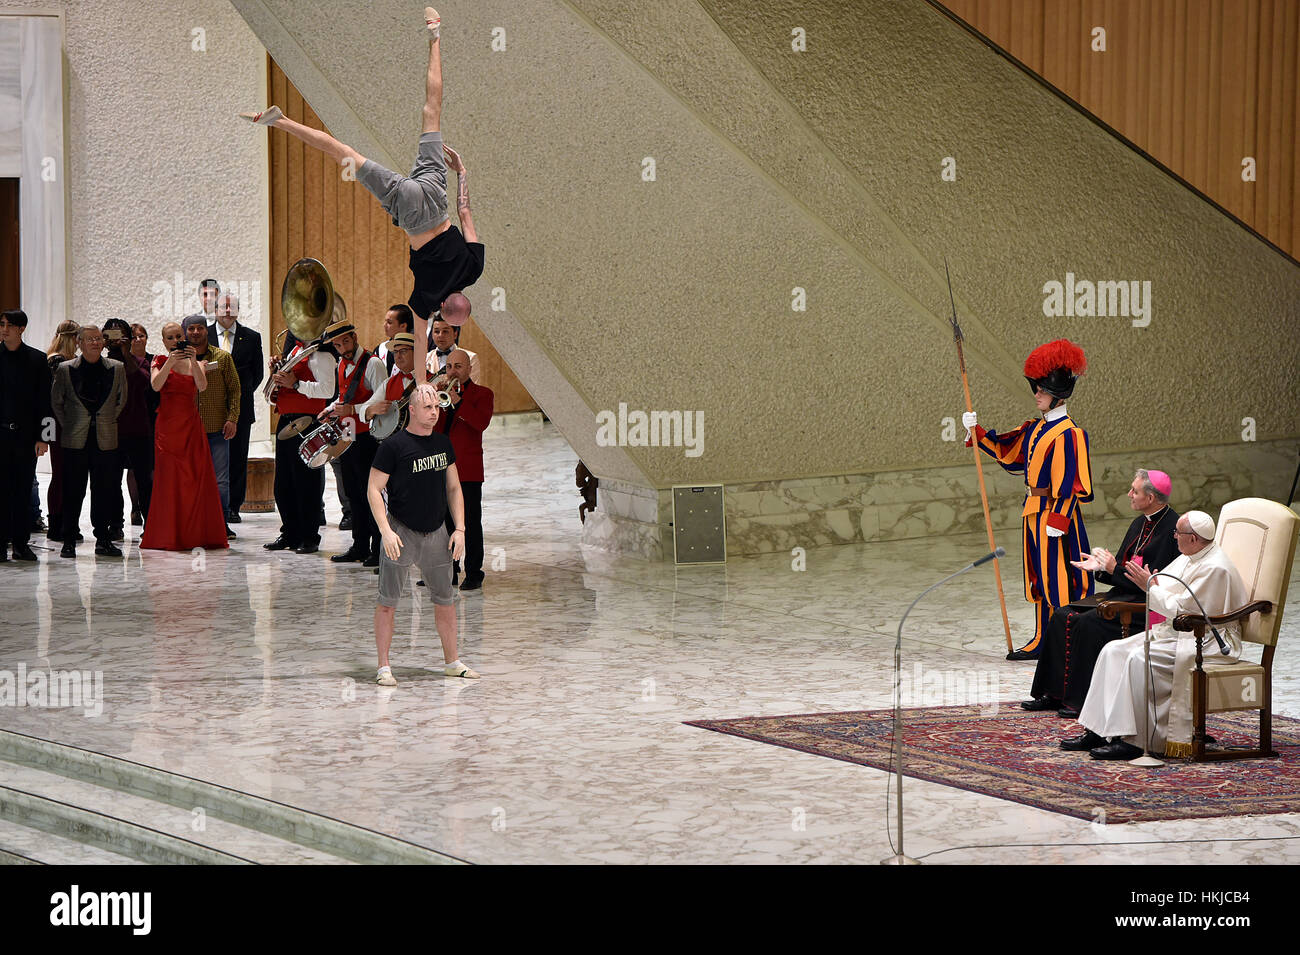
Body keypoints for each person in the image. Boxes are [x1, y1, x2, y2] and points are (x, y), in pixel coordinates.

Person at [241, 7, 484, 383]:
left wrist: (463, 173)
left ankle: (435, 37)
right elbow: (420, 343)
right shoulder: (424, 303)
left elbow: (466, 213)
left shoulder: (474, 269)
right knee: (346, 155)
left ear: (463, 302)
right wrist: (421, 384)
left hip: (436, 196)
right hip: (410, 211)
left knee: (432, 110)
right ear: (444, 311)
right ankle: (280, 121)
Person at [1063, 510, 1248, 760]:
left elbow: (1183, 610)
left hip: (1205, 640)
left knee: (1140, 659)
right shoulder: (1189, 556)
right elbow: (1164, 587)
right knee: (1113, 650)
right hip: (1179, 633)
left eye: (1178, 534)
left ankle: (1137, 741)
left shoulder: (1215, 567)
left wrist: (1149, 585)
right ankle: (1099, 731)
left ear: (1193, 538)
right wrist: (1149, 582)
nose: (1174, 537)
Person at [964, 339, 1092, 660]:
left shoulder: (1069, 434)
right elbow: (1010, 454)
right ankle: (1041, 638)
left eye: (1041, 389)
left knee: (1059, 579)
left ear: (1057, 394)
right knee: (1039, 575)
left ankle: (1064, 639)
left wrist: (1059, 521)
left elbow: (1071, 484)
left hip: (1053, 515)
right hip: (1033, 512)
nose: (1036, 394)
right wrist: (977, 433)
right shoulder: (1036, 429)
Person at [1021, 469, 1180, 717]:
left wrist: (1112, 569)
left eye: (1134, 491)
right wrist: (1100, 568)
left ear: (1150, 498)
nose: (1129, 494)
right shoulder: (1139, 522)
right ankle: (1052, 694)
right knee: (1061, 614)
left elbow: (1152, 582)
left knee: (1087, 623)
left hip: (1145, 604)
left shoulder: (1172, 530)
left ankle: (1079, 701)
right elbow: (1119, 565)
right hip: (1123, 593)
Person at [368, 383, 478, 685]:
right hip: (402, 532)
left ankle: (452, 661)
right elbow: (373, 489)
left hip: (438, 534)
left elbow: (454, 488)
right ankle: (384, 666)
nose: (434, 412)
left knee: (445, 599)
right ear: (413, 410)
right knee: (388, 600)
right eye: (428, 407)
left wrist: (460, 529)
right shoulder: (393, 447)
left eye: (437, 407)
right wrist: (386, 531)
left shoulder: (443, 444)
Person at [141, 322, 229, 552]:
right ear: (164, 341)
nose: (175, 340)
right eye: (170, 338)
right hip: (167, 430)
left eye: (178, 336)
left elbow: (202, 386)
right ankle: (170, 534)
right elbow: (156, 386)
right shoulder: (159, 361)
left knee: (194, 479)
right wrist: (170, 361)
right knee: (170, 481)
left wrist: (192, 361)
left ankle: (195, 533)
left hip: (191, 426)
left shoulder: (198, 362)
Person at [265, 321, 344, 554]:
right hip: (287, 419)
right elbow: (274, 394)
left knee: (306, 483)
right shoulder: (296, 352)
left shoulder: (323, 356)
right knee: (284, 483)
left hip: (308, 421)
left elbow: (328, 391)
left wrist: (295, 383)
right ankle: (290, 532)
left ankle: (309, 536)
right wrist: (276, 376)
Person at [50, 325, 128, 557]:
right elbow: (57, 402)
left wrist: (107, 419)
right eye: (90, 339)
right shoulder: (65, 369)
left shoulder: (117, 368)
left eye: (98, 339)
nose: (95, 342)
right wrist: (70, 424)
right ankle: (68, 539)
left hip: (105, 437)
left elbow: (121, 400)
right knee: (73, 490)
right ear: (79, 343)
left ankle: (103, 539)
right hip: (75, 438)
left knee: (104, 490)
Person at [320, 323, 386, 565]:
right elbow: (342, 397)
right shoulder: (340, 363)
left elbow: (383, 402)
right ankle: (359, 546)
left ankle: (378, 549)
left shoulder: (374, 364)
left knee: (371, 494)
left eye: (345, 342)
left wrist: (353, 410)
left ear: (355, 337)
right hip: (348, 435)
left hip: (369, 436)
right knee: (353, 493)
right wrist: (329, 409)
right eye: (337, 345)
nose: (342, 349)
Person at [0, 310, 53, 562]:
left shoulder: (37, 359)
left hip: (25, 437)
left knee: (21, 492)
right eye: (1, 324)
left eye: (9, 325)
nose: (4, 329)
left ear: (22, 328)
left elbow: (45, 401)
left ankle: (21, 544)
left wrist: (45, 438)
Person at [438, 348, 493, 591]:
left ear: (469, 369)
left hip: (468, 470)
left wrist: (459, 404)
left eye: (458, 367)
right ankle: (449, 570)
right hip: (442, 468)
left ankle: (474, 572)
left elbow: (480, 424)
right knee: (445, 523)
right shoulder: (439, 394)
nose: (453, 372)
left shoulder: (483, 394)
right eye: (449, 366)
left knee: (469, 522)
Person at [208, 292, 264, 522]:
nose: (228, 311)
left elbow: (258, 374)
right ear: (215, 310)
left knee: (238, 458)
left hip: (241, 408)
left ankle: (233, 507)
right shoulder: (205, 335)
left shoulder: (251, 337)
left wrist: (238, 395)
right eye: (223, 306)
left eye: (232, 307)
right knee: (212, 457)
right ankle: (212, 505)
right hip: (210, 407)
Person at [184, 314, 240, 538]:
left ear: (207, 330)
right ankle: (193, 525)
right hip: (188, 431)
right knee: (190, 480)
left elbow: (235, 390)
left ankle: (221, 524)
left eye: (199, 328)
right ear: (186, 332)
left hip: (217, 428)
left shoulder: (223, 358)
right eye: (191, 329)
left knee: (221, 481)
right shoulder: (179, 360)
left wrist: (232, 418)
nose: (195, 333)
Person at [103, 318, 155, 537]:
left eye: (120, 335)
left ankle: (150, 524)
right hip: (110, 431)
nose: (116, 339)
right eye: (111, 335)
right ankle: (115, 524)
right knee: (111, 481)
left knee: (145, 479)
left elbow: (144, 383)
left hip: (138, 428)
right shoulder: (100, 362)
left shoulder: (140, 361)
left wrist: (126, 353)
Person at [43, 321, 80, 542]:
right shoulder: (57, 360)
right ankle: (57, 525)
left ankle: (65, 523)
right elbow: (60, 397)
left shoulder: (62, 359)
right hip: (59, 422)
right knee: (61, 474)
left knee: (67, 474)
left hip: (65, 422)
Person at [126, 323, 158, 525]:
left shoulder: (154, 360)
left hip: (151, 418)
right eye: (134, 336)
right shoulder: (122, 360)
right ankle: (135, 507)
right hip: (128, 418)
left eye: (142, 335)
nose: (138, 339)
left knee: (148, 466)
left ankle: (151, 507)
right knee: (130, 467)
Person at [427, 305, 480, 381]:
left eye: (445, 331)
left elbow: (474, 390)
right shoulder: (425, 359)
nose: (440, 335)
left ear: (455, 334)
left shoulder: (470, 358)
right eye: (436, 331)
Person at [376, 305, 415, 374]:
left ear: (403, 326)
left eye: (389, 322)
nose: (384, 325)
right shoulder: (381, 349)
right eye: (396, 352)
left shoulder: (417, 347)